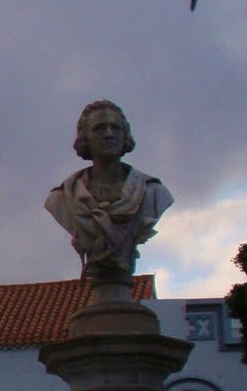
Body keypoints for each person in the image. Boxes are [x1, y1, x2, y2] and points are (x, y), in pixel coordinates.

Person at [44, 99, 173, 281]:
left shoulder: (153, 193)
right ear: (85, 137)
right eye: (100, 128)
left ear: (125, 135)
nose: (109, 134)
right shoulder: (63, 198)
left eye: (115, 128)